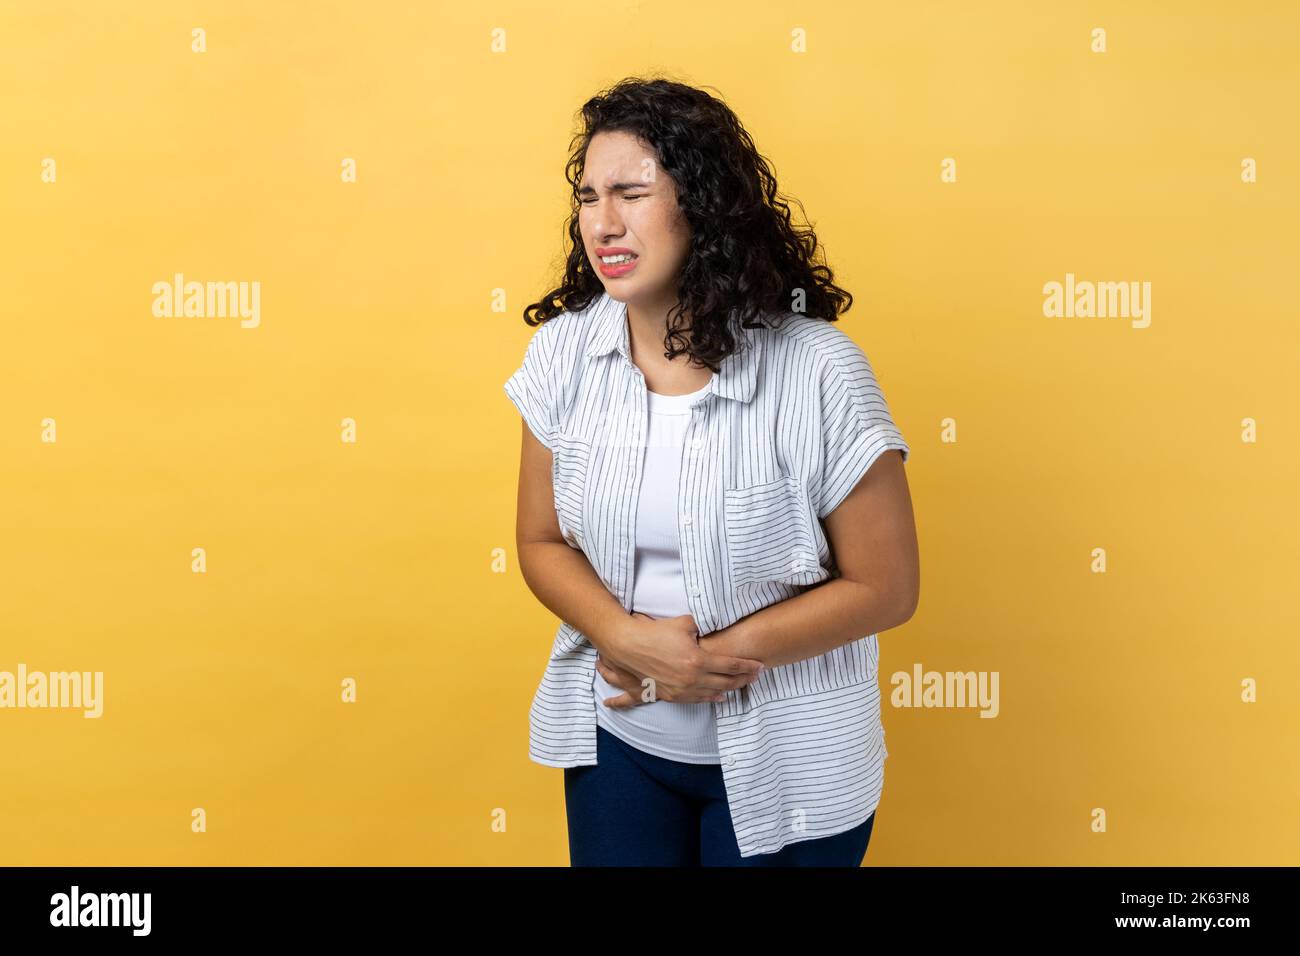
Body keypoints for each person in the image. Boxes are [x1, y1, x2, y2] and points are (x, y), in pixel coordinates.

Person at [505, 76, 919, 866]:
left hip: (793, 759)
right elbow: (539, 541)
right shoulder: (562, 354)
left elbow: (887, 586)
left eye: (631, 192)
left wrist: (697, 665)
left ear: (701, 204)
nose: (604, 221)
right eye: (589, 196)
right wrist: (626, 638)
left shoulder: (819, 370)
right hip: (621, 746)